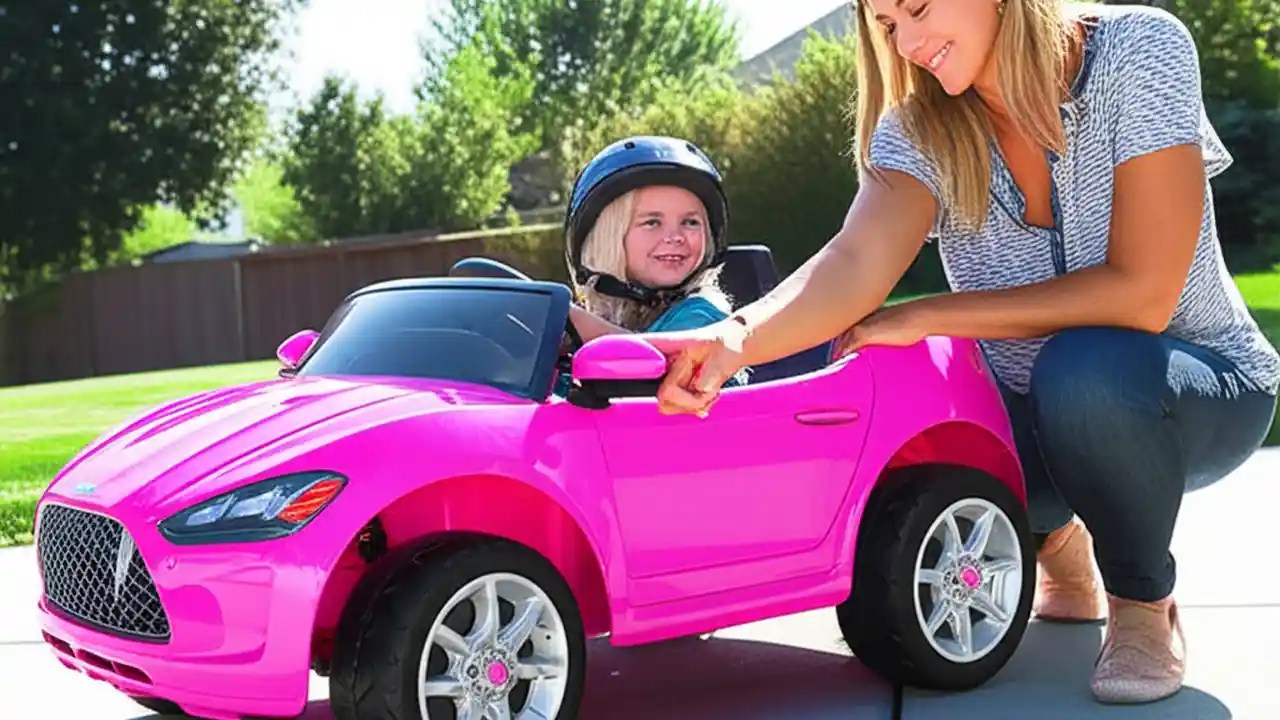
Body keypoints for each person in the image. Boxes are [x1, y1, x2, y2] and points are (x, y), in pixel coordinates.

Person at [644, 0, 1279, 705]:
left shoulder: (1140, 51)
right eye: (887, 26)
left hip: (1200, 383)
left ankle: (1140, 601)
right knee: (919, 431)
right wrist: (736, 338)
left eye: (917, 8)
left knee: (1085, 371)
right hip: (1036, 413)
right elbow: (853, 261)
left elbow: (1144, 294)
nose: (910, 43)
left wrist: (931, 315)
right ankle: (1060, 543)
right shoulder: (920, 126)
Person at [553, 135, 748, 397]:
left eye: (690, 222)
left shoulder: (703, 315)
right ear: (607, 237)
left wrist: (569, 319)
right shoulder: (603, 316)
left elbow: (657, 364)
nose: (675, 237)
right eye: (652, 222)